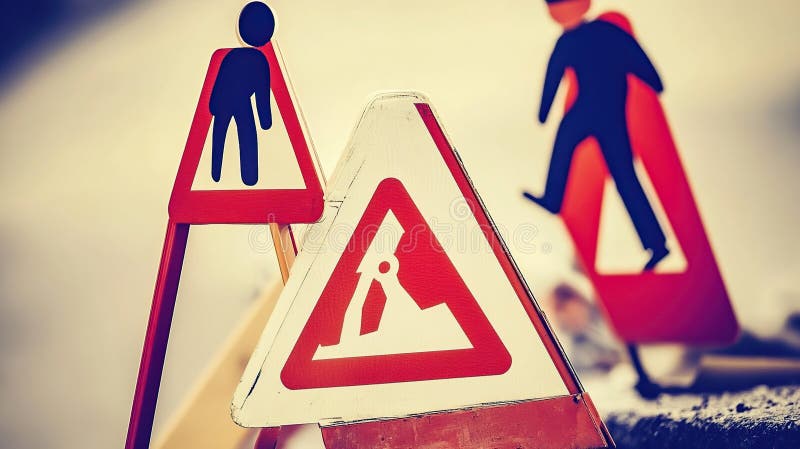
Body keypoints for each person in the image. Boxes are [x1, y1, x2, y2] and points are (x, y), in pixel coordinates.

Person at [527, 0, 669, 270]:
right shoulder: (582, 38)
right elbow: (554, 75)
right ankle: (553, 198)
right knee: (570, 143)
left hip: (603, 111)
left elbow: (634, 56)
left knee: (622, 173)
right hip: (597, 109)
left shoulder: (601, 33)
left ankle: (657, 244)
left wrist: (654, 80)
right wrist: (544, 111)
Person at [209, 1, 274, 186]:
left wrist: (213, 105)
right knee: (248, 135)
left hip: (223, 100)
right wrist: (265, 121)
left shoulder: (231, 56)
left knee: (219, 137)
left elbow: (220, 79)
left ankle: (215, 175)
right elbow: (263, 97)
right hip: (241, 102)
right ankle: (249, 177)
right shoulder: (261, 61)